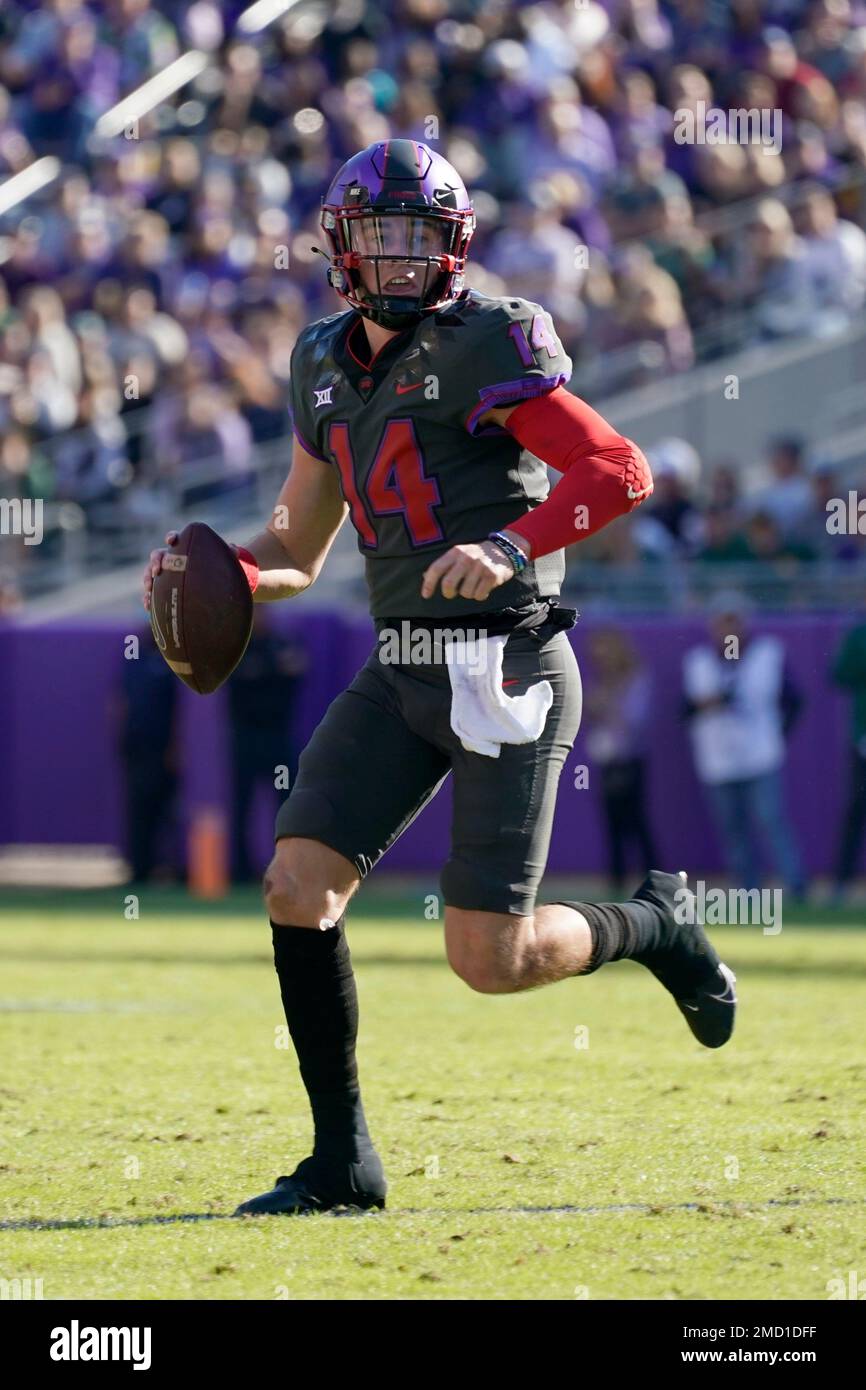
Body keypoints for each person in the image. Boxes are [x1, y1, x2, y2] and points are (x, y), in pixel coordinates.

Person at [143, 140, 736, 1219]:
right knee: (294, 887)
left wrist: (512, 543)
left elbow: (616, 468)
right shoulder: (320, 360)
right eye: (383, 235)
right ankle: (342, 1162)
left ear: (451, 246)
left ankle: (654, 921)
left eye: (421, 236)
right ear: (344, 247)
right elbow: (297, 545)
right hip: (402, 662)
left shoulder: (486, 342)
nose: (403, 257)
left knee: (490, 959)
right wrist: (224, 573)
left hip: (506, 659)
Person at [682, 593, 806, 897]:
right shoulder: (699, 662)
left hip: (760, 755)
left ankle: (795, 886)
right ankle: (748, 890)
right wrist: (707, 704)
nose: (728, 630)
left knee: (771, 821)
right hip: (718, 759)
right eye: (722, 623)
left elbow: (795, 700)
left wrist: (777, 735)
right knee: (733, 830)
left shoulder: (767, 654)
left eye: (733, 622)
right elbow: (683, 710)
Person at [227, 608, 307, 883]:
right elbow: (238, 679)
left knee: (286, 807)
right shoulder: (238, 646)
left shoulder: (281, 642)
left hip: (277, 739)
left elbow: (297, 669)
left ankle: (286, 868)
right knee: (242, 805)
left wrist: (263, 671)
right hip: (247, 740)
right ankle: (240, 870)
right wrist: (272, 669)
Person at [584, 629, 658, 892]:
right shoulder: (602, 681)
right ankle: (617, 883)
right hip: (607, 761)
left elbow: (635, 721)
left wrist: (609, 705)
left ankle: (655, 882)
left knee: (636, 821)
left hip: (630, 759)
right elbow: (592, 714)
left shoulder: (635, 679)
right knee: (612, 824)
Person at [830, 610, 866, 899]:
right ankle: (840, 883)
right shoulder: (858, 635)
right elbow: (840, 674)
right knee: (856, 810)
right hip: (864, 737)